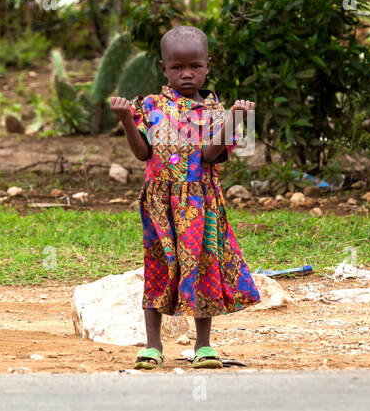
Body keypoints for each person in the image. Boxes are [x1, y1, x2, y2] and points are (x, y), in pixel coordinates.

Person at [109, 25, 261, 369]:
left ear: (209, 65)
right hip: (159, 204)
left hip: (200, 203)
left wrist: (236, 117)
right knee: (159, 267)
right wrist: (125, 122)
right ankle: (152, 346)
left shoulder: (215, 111)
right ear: (164, 68)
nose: (187, 74)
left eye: (194, 66)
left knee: (202, 267)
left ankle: (203, 346)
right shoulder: (148, 106)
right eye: (177, 67)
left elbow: (209, 155)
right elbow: (141, 153)